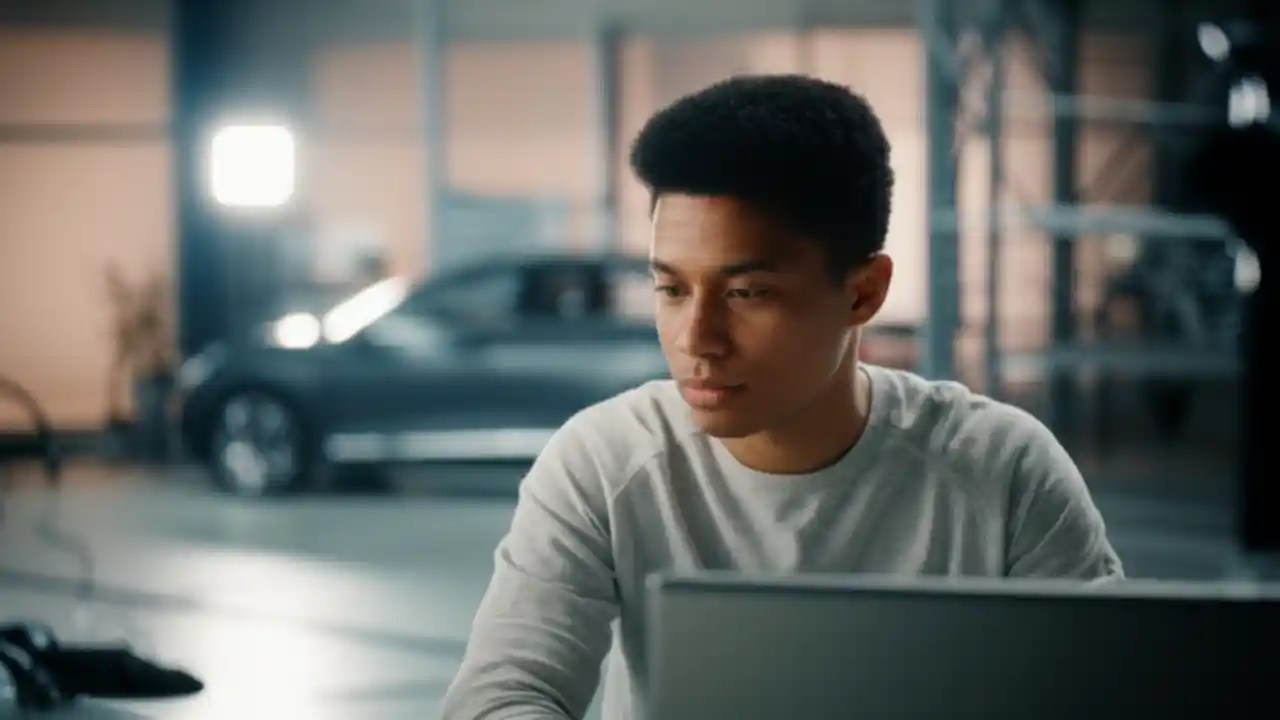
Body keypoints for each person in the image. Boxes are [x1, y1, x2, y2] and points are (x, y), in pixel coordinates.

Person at [440, 74, 1124, 720]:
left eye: (747, 293)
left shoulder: (1002, 471)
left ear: (863, 293)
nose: (696, 338)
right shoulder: (605, 461)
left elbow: (1114, 692)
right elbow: (503, 692)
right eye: (671, 289)